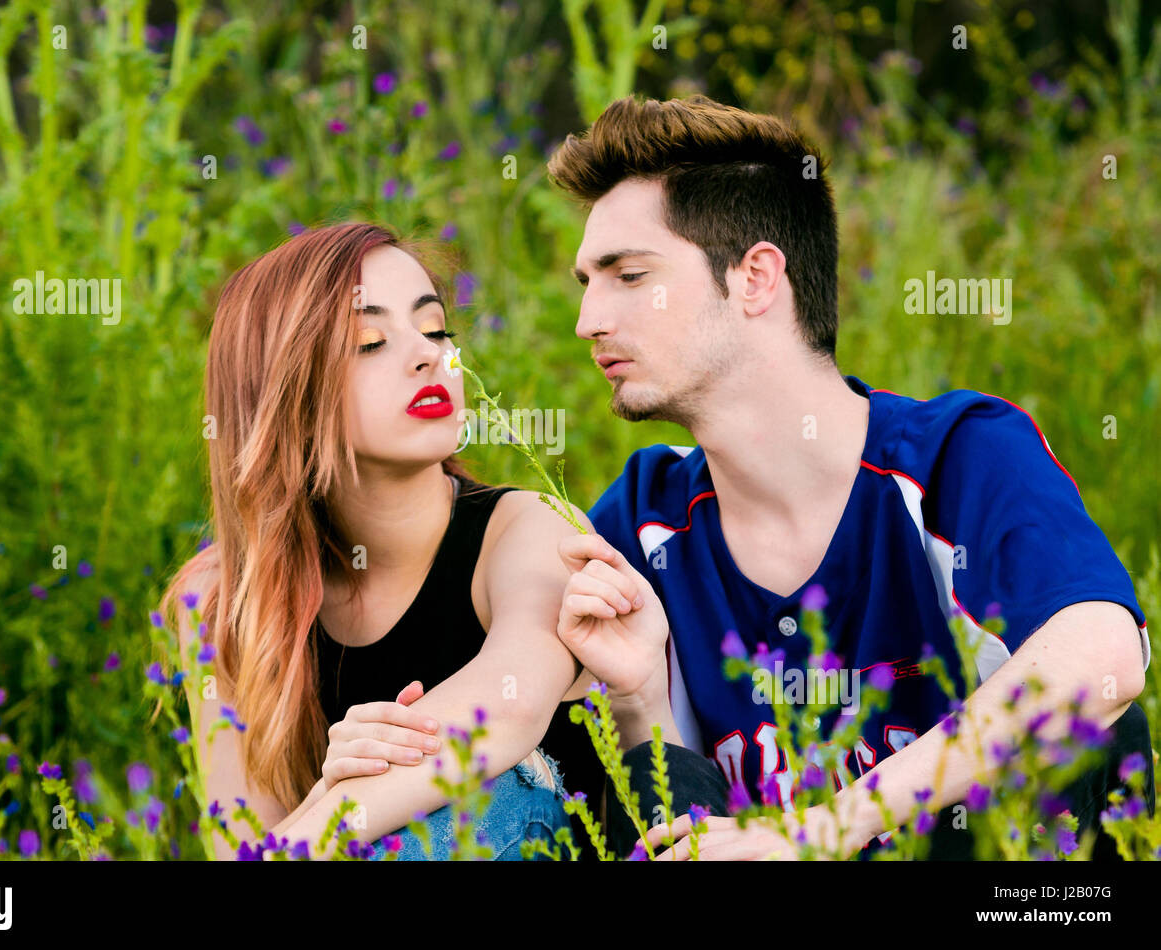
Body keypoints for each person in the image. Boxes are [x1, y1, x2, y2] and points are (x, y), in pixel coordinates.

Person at [542, 94, 1154, 860]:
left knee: (1086, 724)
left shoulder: (954, 457)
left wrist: (820, 833)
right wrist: (636, 700)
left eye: (628, 275)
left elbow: (1101, 654)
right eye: (585, 283)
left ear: (757, 277)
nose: (588, 319)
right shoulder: (646, 515)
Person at [157, 222, 607, 860]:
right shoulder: (224, 597)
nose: (429, 356)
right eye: (369, 342)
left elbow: (504, 714)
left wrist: (334, 804)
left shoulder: (529, 529)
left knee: (491, 795)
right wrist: (332, 795)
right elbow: (239, 842)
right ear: (281, 390)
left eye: (435, 330)